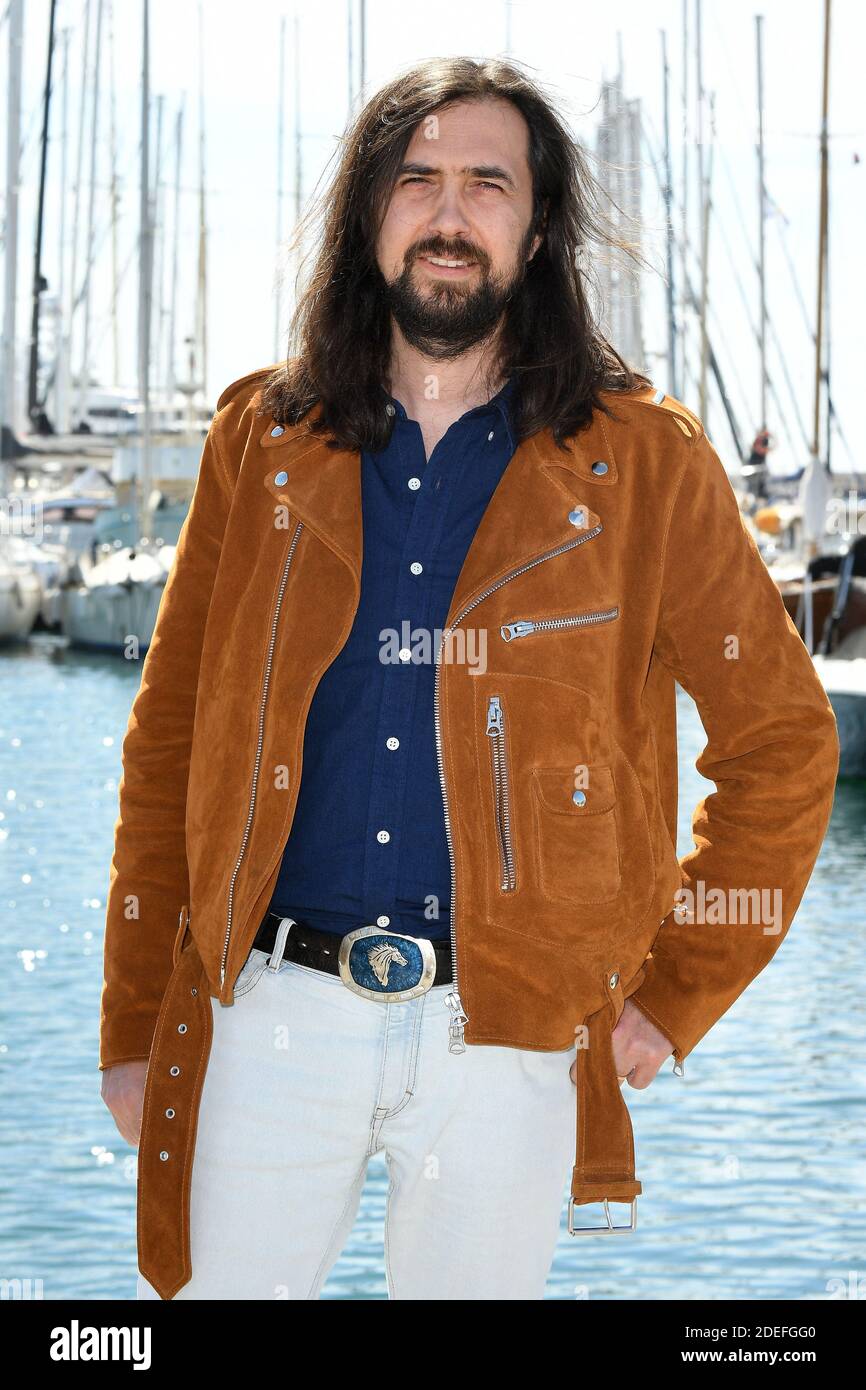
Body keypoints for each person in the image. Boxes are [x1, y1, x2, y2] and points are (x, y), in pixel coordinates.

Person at [99, 57, 839, 1301]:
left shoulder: (642, 465)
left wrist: (671, 993)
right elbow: (168, 737)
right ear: (369, 215)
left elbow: (781, 743)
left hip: (505, 1044)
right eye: (417, 179)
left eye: (486, 183)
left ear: (536, 224)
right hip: (268, 1017)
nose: (449, 212)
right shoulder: (257, 443)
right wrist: (131, 1024)